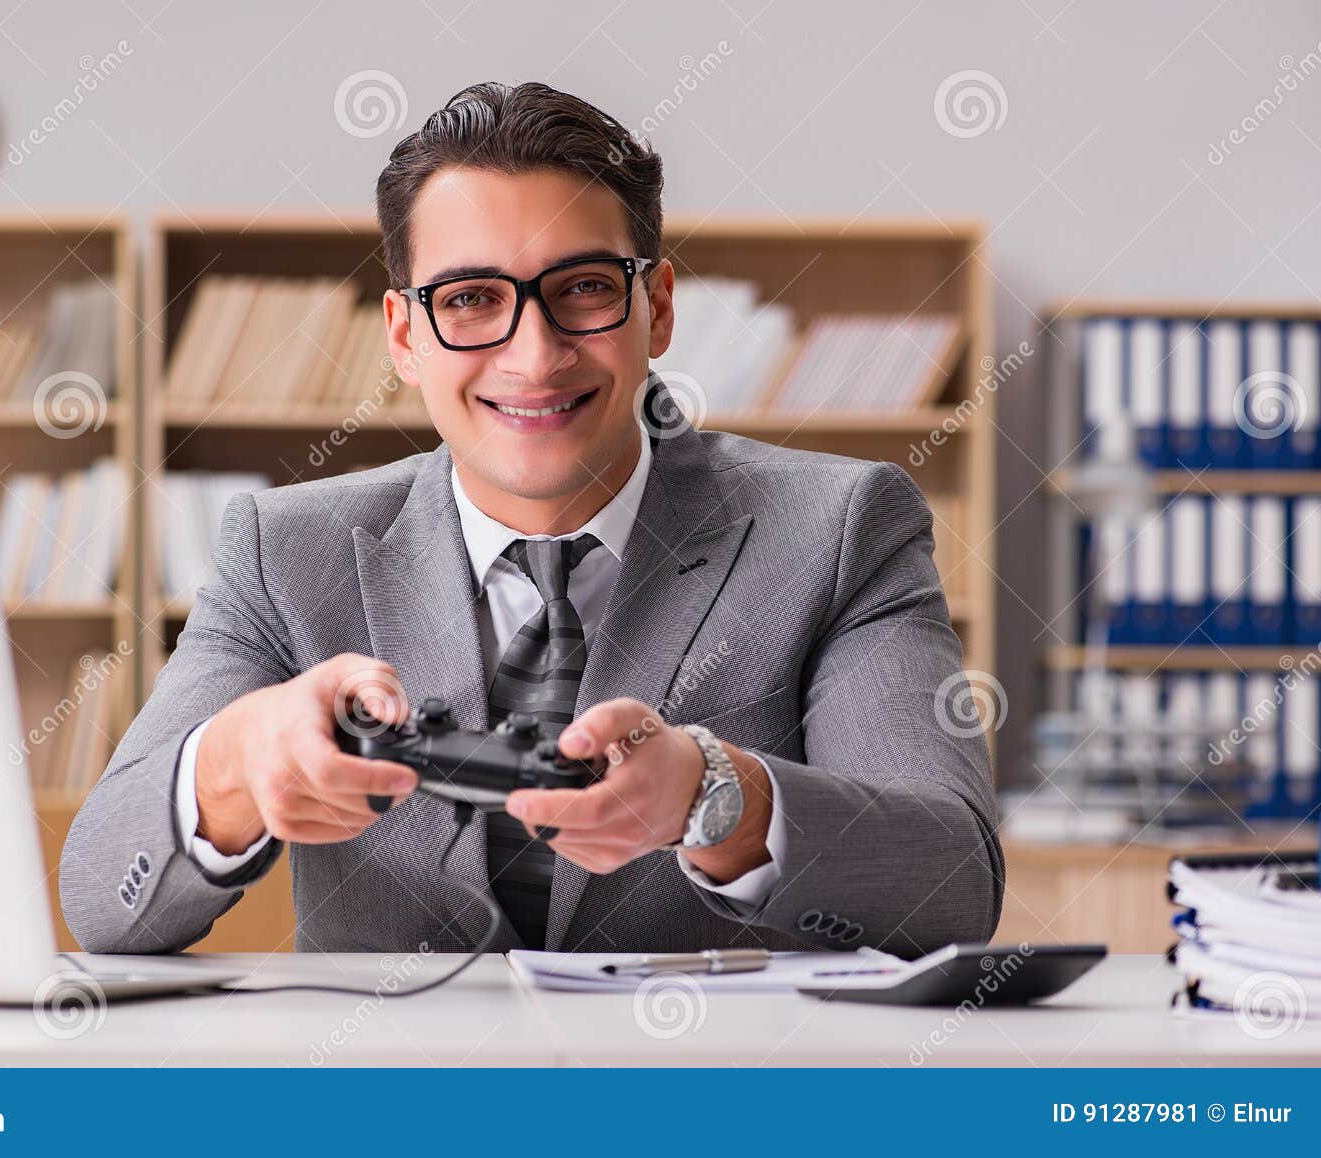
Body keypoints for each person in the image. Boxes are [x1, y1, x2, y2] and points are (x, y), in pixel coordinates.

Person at [60, 80, 1003, 956]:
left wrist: (720, 794)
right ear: (403, 336)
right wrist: (232, 766)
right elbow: (102, 898)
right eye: (471, 300)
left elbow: (951, 885)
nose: (534, 356)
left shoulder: (840, 529)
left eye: (584, 288)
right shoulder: (285, 552)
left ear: (657, 307)